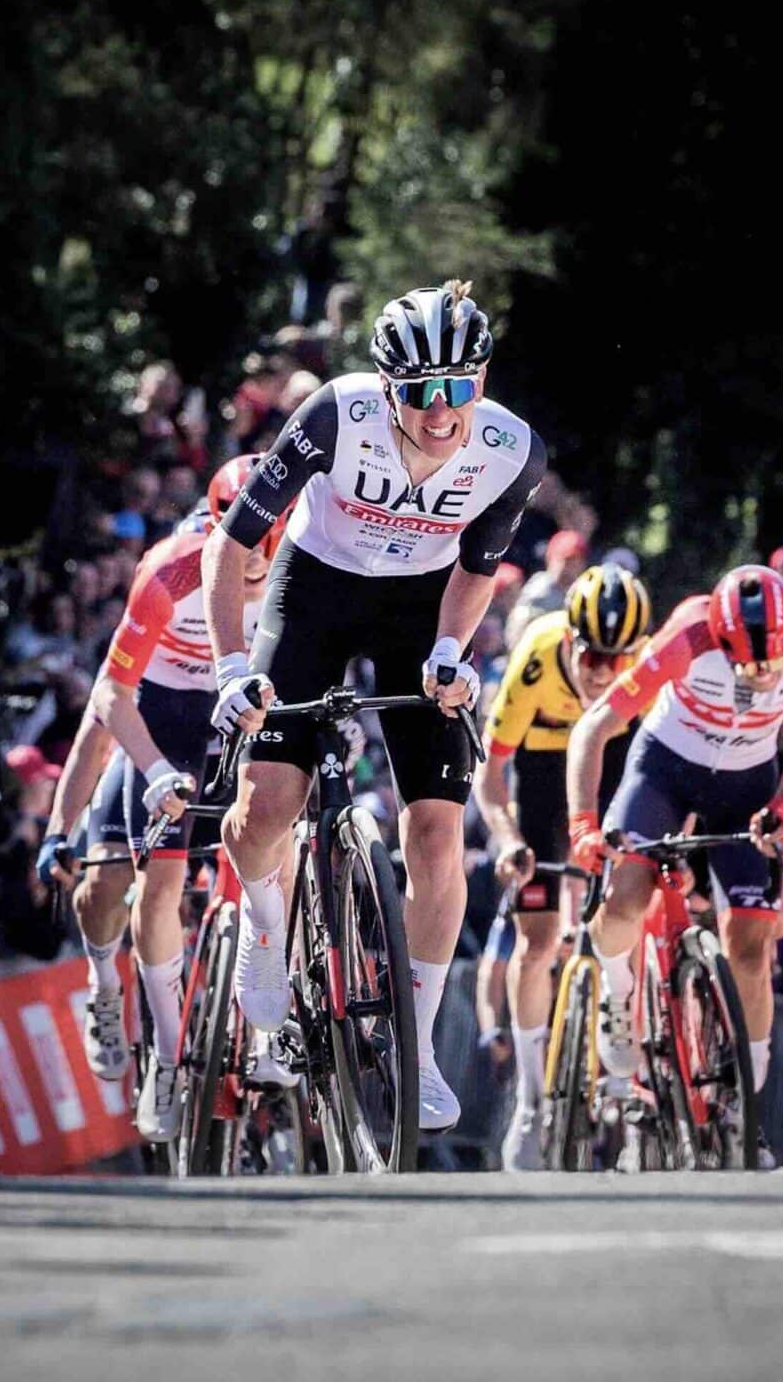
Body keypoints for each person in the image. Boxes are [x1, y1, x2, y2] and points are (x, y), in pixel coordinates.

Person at [202, 279, 546, 1133]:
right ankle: (267, 922)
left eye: (458, 389)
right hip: (314, 591)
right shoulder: (332, 416)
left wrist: (446, 652)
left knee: (435, 832)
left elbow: (479, 564)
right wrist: (229, 668)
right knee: (267, 808)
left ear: (483, 379)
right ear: (388, 388)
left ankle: (418, 1047)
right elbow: (236, 539)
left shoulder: (511, 451)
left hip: (418, 609)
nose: (440, 412)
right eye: (420, 394)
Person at [37, 455, 287, 1142]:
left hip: (237, 716)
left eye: (273, 553)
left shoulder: (299, 559)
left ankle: (270, 1001)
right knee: (128, 884)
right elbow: (107, 704)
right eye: (248, 554)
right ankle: (153, 1043)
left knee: (276, 827)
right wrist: (76, 817)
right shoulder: (169, 572)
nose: (260, 568)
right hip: (160, 717)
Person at [564, 566, 783, 1115]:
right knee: (625, 896)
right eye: (746, 661)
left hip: (746, 784)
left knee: (753, 943)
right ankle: (617, 995)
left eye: (771, 662)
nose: (761, 675)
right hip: (664, 770)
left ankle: (744, 1102)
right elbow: (594, 727)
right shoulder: (687, 638)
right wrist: (583, 824)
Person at [474, 561, 653, 1168]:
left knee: (632, 913)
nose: (604, 673)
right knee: (539, 937)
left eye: (617, 660)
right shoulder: (536, 655)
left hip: (614, 763)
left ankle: (631, 1081)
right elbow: (492, 772)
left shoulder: (645, 669)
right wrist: (504, 839)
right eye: (592, 659)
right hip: (544, 772)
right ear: (569, 642)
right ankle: (530, 1097)